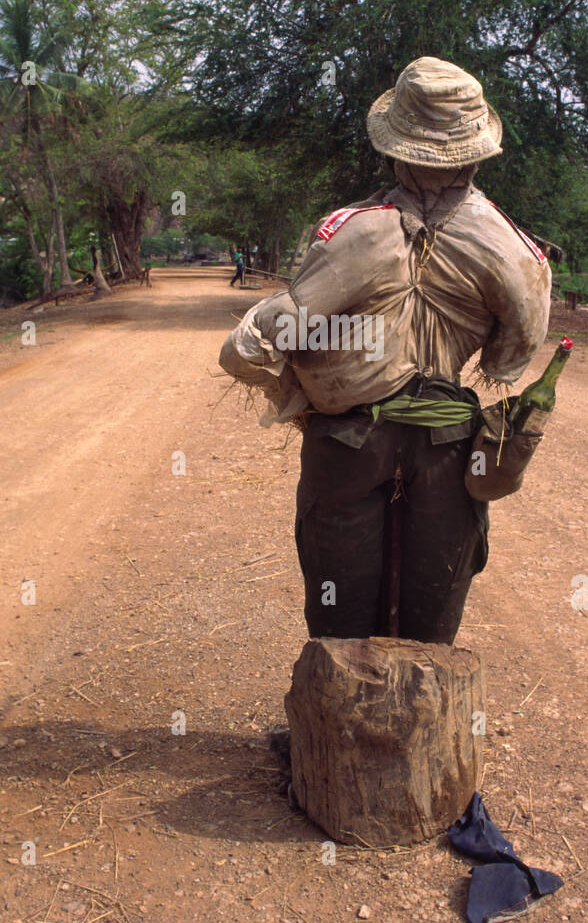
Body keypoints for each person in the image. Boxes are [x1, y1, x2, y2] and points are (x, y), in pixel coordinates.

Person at [219, 57, 551, 644]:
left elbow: (261, 344)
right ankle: (422, 725)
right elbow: (508, 361)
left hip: (348, 444)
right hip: (450, 450)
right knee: (433, 614)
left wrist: (297, 377)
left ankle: (332, 729)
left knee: (337, 606)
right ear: (476, 152)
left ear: (394, 148)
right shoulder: (515, 251)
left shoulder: (352, 232)